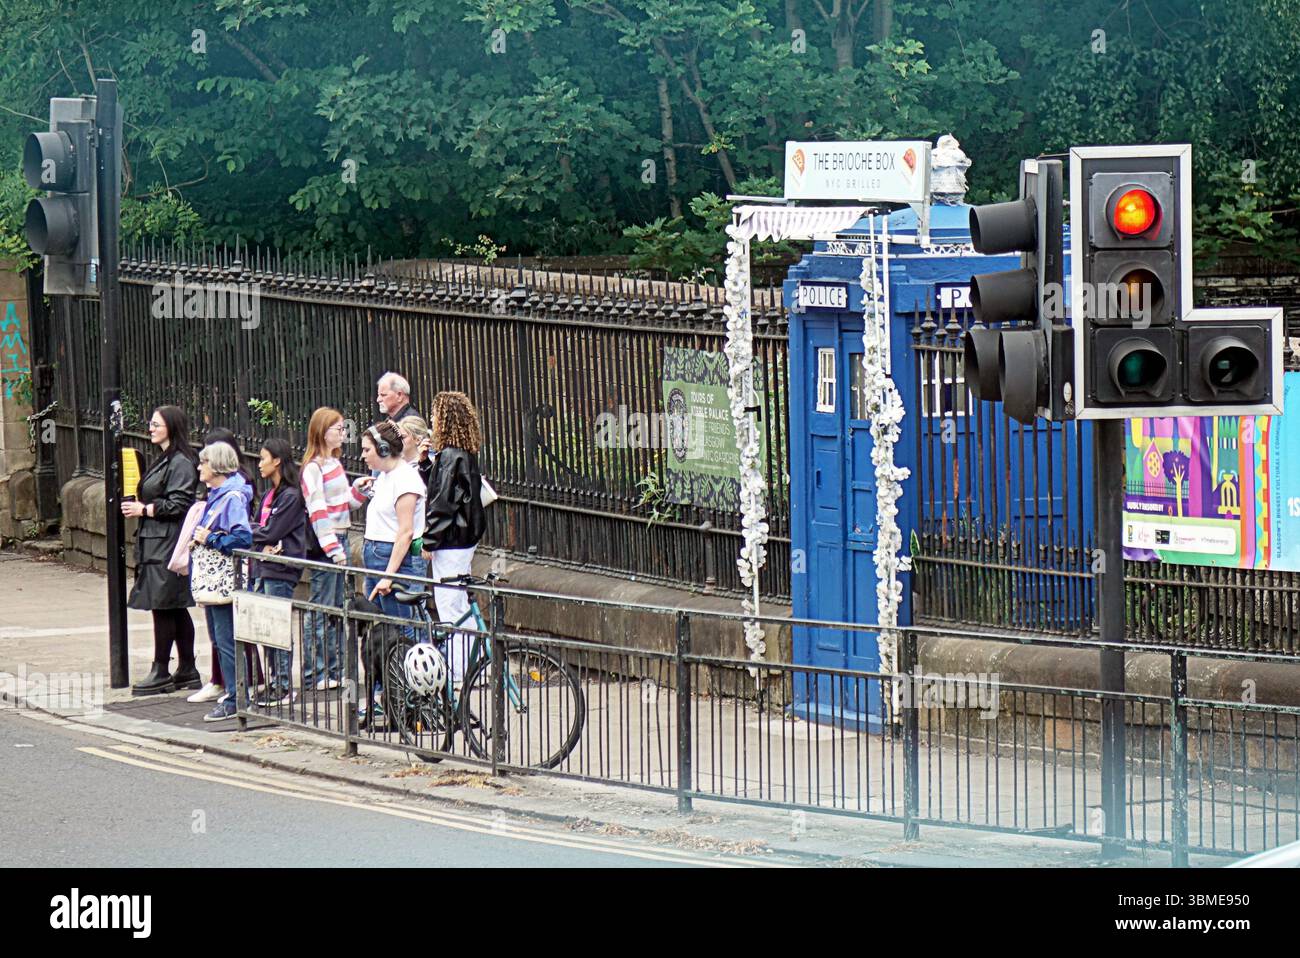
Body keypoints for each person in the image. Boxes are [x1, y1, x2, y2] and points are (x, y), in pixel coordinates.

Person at [122, 406, 201, 696]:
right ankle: (187, 669)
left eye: (156, 424)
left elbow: (180, 503)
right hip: (156, 542)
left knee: (164, 606)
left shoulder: (180, 462)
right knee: (173, 606)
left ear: (172, 426)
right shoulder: (167, 458)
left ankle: (161, 670)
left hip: (166, 543)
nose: (151, 428)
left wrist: (145, 509)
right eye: (151, 423)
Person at [355, 420, 426, 725]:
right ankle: (390, 701)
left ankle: (409, 704)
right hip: (376, 557)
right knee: (382, 634)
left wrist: (388, 576)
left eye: (367, 449)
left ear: (384, 449)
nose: (363, 455)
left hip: (392, 562)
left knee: (402, 634)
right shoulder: (384, 477)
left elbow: (405, 532)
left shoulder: (405, 481)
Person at [186, 427, 262, 704]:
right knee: (221, 639)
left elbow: (242, 538)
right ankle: (233, 693)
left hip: (224, 577)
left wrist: (211, 537)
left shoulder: (231, 497)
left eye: (204, 462)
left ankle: (235, 698)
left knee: (227, 640)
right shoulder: (221, 494)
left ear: (217, 466)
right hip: (216, 578)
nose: (199, 466)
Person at [421, 391, 487, 688]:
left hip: (451, 540)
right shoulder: (461, 454)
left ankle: (463, 670)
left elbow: (442, 503)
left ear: (445, 419)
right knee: (459, 604)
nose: (432, 420)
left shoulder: (449, 456)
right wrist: (425, 464)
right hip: (464, 538)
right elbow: (444, 492)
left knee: (450, 605)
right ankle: (479, 666)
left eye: (435, 414)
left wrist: (429, 541)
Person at [300, 408, 353, 690]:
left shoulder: (335, 463)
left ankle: (334, 668)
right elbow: (318, 511)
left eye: (343, 429)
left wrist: (359, 491)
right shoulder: (313, 467)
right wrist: (333, 547)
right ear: (322, 432)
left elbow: (343, 503)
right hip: (327, 543)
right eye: (337, 429)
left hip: (340, 537)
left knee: (334, 608)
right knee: (321, 607)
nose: (342, 434)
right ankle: (316, 672)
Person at [249, 438, 305, 706]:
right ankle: (274, 681)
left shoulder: (291, 495)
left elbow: (272, 530)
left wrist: (248, 532)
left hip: (281, 568)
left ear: (277, 461)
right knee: (267, 627)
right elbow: (264, 529)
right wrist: (259, 536)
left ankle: (283, 686)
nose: (259, 464)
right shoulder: (272, 493)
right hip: (264, 565)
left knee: (278, 627)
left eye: (263, 458)